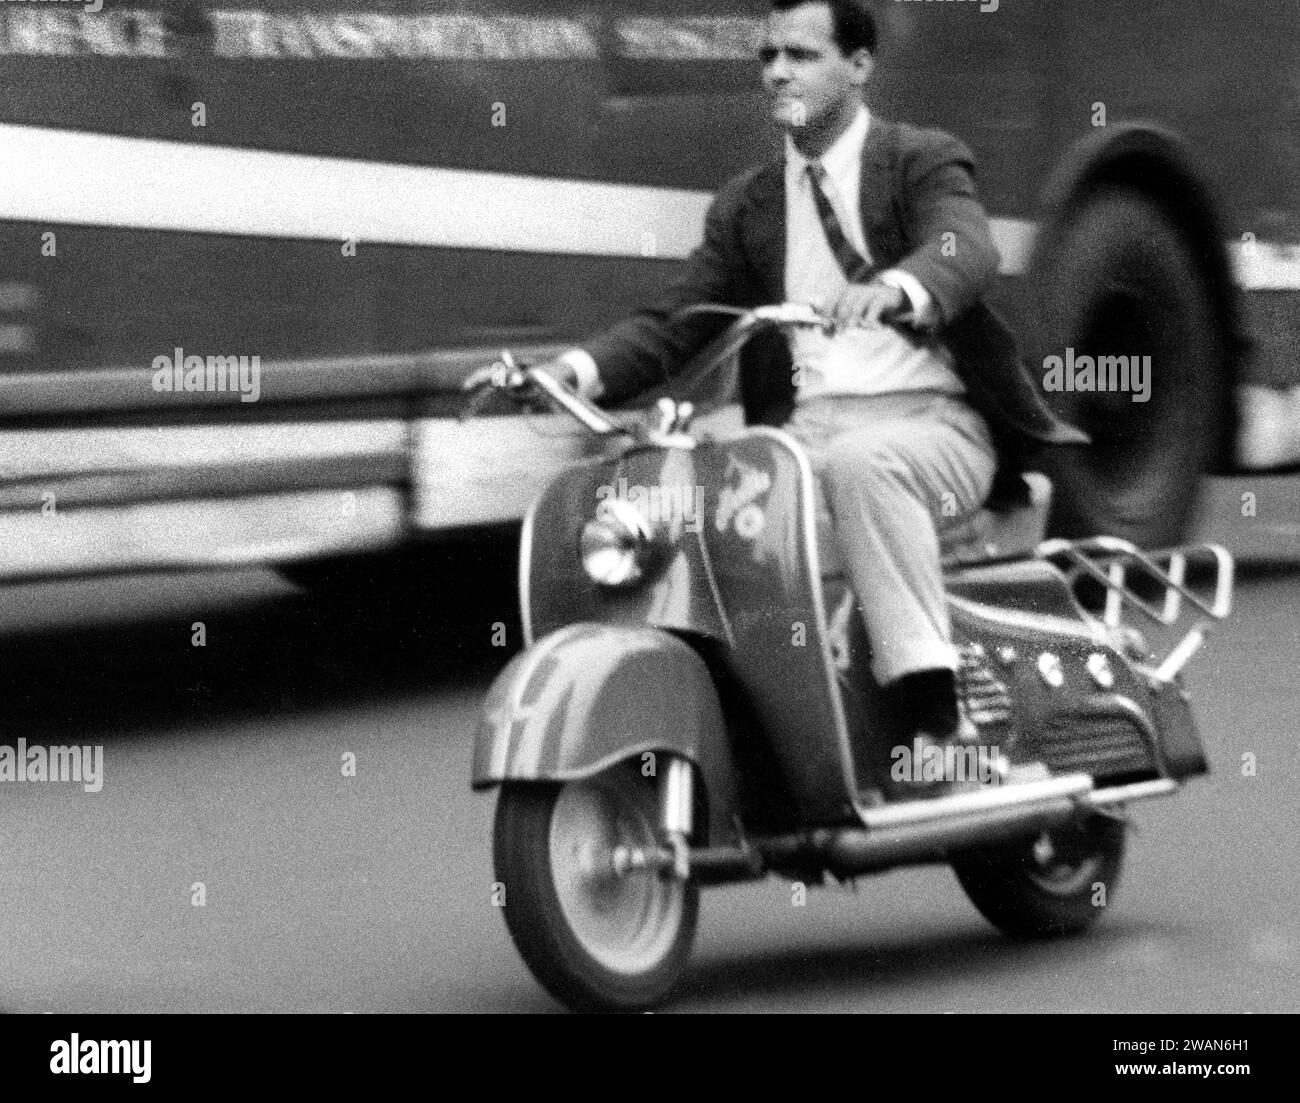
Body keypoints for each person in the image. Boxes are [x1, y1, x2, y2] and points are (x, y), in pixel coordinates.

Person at [481, 0, 1084, 791]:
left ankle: (940, 719)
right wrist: (574, 373)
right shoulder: (751, 205)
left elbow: (963, 247)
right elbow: (676, 323)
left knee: (869, 466)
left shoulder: (920, 160)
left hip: (935, 424)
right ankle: (765, 729)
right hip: (807, 434)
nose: (777, 73)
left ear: (859, 66)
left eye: (800, 55)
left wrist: (901, 288)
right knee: (696, 498)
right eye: (767, 57)